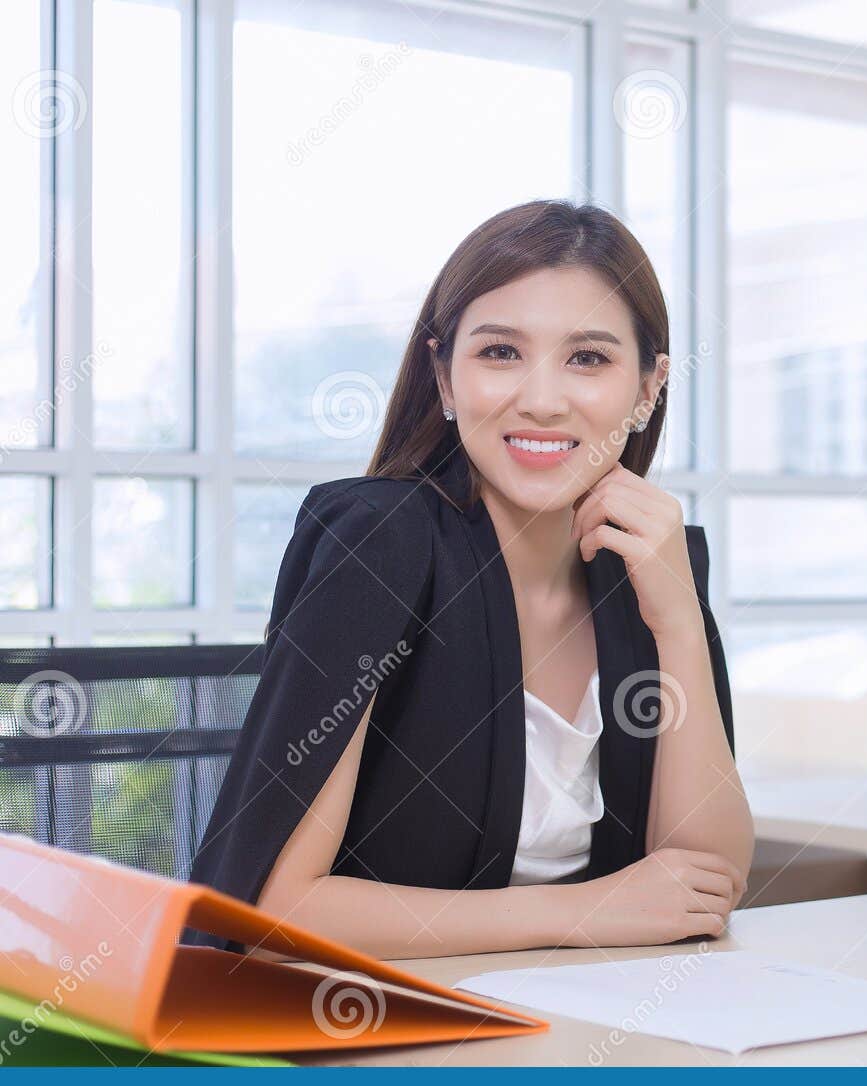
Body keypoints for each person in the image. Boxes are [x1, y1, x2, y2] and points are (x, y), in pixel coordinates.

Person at [186, 201, 753, 960]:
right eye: (500, 353)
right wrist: (578, 912)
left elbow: (706, 883)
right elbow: (273, 912)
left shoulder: (650, 564)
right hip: (363, 1035)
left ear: (649, 387)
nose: (543, 398)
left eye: (588, 358)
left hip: (581, 1031)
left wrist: (679, 623)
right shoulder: (381, 544)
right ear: (444, 380)